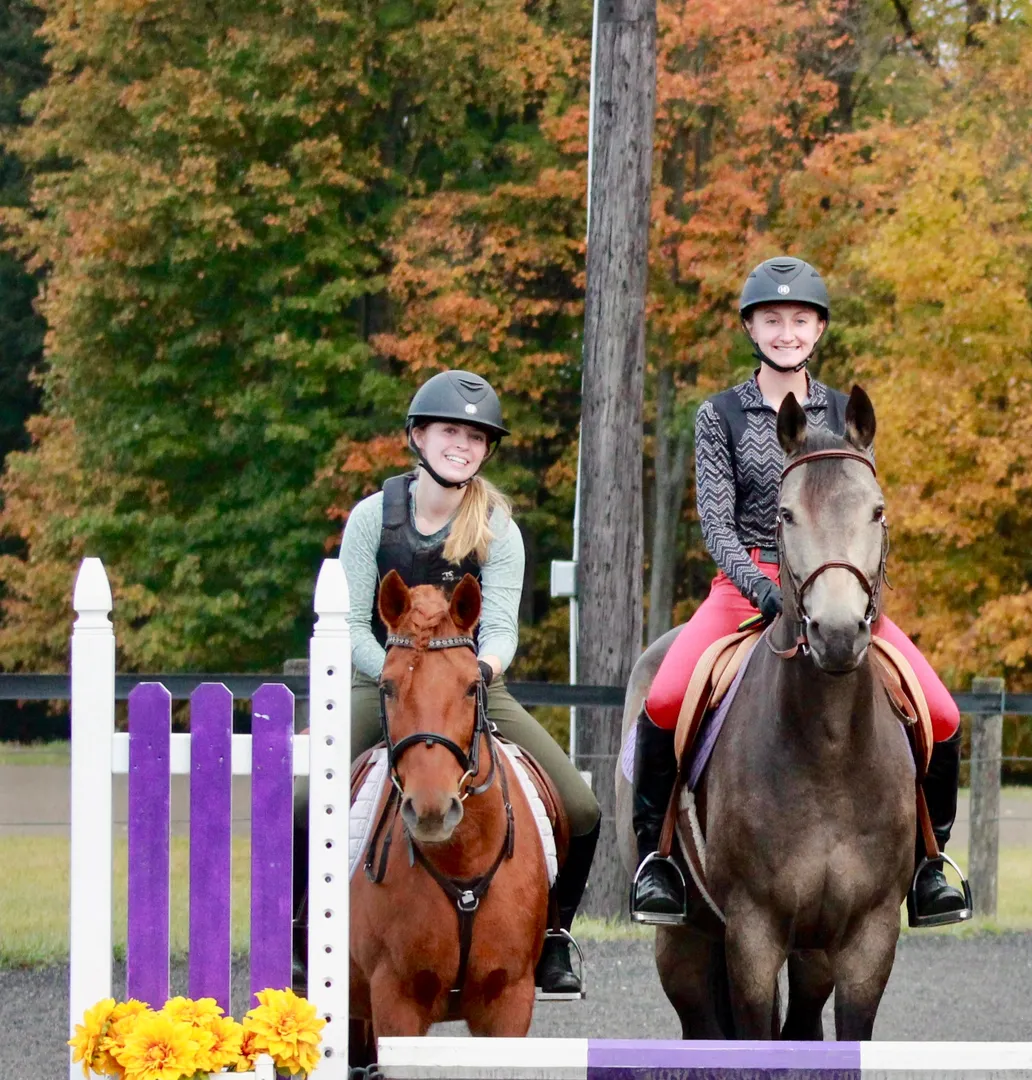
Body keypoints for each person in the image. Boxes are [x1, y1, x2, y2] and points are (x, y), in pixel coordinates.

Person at [628, 256, 969, 927]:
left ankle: (930, 863)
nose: (787, 331)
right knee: (666, 698)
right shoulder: (719, 414)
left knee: (943, 711)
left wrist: (859, 587)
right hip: (745, 582)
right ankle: (656, 860)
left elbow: (862, 507)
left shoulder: (846, 412)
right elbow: (717, 524)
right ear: (752, 327)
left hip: (835, 579)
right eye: (773, 320)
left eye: (800, 320)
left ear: (818, 329)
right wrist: (762, 589)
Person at [293, 370, 600, 998]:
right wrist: (396, 673)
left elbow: (502, 631)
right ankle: (301, 936)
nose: (461, 444)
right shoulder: (373, 517)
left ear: (487, 450)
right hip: (375, 681)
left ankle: (553, 937)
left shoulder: (498, 530)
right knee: (302, 799)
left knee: (581, 806)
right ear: (419, 435)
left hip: (469, 686)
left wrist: (477, 672)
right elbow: (353, 621)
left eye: (475, 437)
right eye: (449, 431)